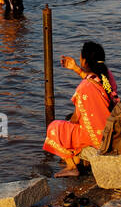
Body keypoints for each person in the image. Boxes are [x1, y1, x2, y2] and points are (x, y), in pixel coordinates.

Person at [44, 42, 116, 177]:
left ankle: (71, 166)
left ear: (85, 61)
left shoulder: (84, 87)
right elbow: (94, 80)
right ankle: (76, 159)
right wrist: (76, 68)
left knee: (55, 127)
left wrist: (67, 129)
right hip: (110, 129)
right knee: (70, 125)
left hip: (97, 138)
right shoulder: (107, 76)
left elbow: (76, 118)